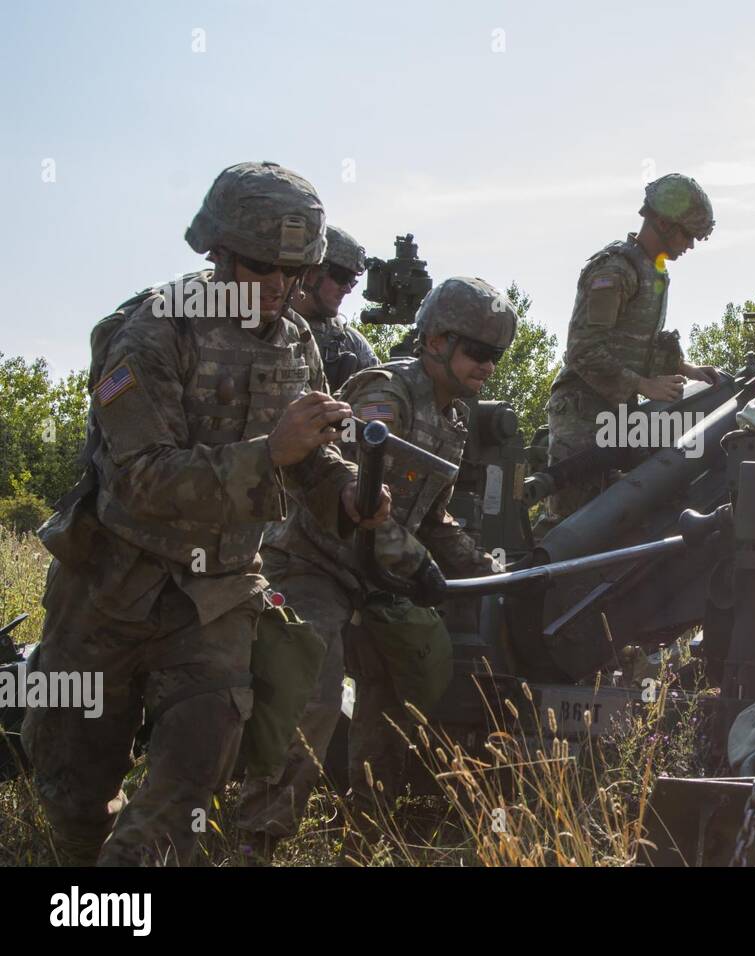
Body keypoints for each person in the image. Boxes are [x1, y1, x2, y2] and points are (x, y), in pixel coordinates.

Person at [22, 161, 390, 865]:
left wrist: (345, 490)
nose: (280, 288)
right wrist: (269, 453)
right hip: (110, 590)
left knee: (189, 781)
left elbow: (311, 458)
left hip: (216, 600)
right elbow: (140, 478)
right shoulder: (152, 333)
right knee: (75, 796)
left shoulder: (297, 343)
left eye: (296, 271)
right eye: (262, 268)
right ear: (216, 253)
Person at [237, 275, 514, 861]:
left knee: (398, 694)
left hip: (376, 579)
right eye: (479, 352)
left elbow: (431, 516)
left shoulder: (454, 419)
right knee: (311, 691)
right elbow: (349, 487)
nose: (488, 366)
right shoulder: (386, 393)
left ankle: (367, 837)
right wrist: (417, 565)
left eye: (497, 355)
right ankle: (256, 842)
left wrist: (482, 567)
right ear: (437, 342)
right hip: (313, 563)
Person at [542, 174, 720, 527]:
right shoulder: (614, 270)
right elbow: (583, 350)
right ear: (663, 223)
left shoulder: (653, 271)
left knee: (615, 521)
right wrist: (643, 386)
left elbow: (635, 347)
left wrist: (687, 369)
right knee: (572, 524)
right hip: (583, 414)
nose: (691, 245)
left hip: (617, 415)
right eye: (687, 233)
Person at [293, 224, 377, 391]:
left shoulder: (351, 342)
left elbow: (379, 396)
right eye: (341, 277)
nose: (348, 288)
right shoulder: (268, 330)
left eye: (352, 280)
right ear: (309, 273)